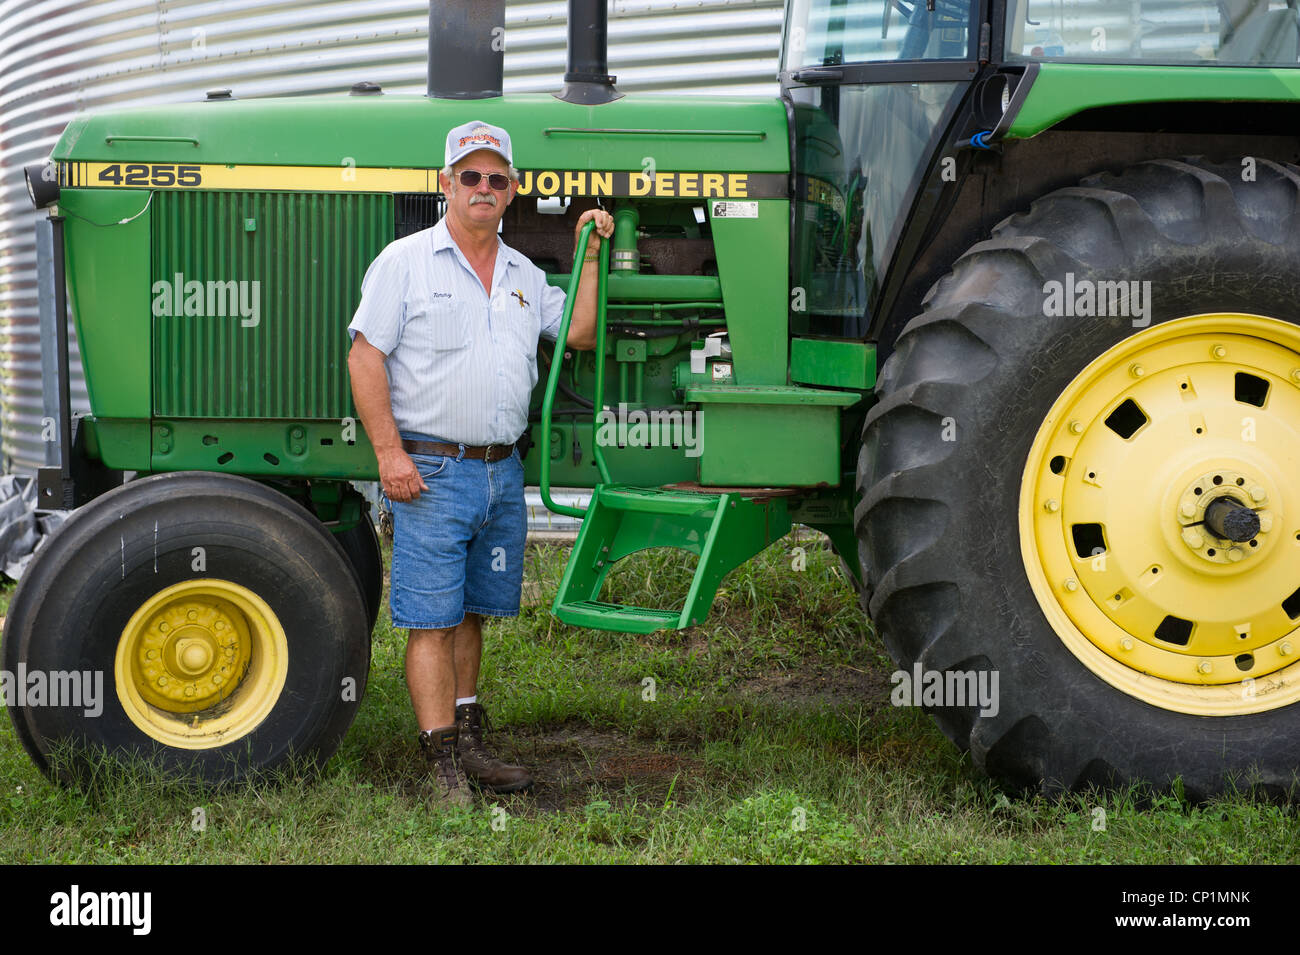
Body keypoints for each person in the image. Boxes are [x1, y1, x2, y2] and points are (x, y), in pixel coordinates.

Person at [347, 120, 613, 805]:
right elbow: (365, 355)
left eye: (497, 179)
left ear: (512, 190)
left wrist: (588, 254)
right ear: (446, 184)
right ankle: (440, 764)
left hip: (500, 472)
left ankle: (468, 740)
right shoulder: (404, 263)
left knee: (469, 613)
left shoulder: (524, 275)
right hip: (430, 472)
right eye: (471, 176)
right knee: (432, 618)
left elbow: (578, 332)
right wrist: (387, 453)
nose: (484, 188)